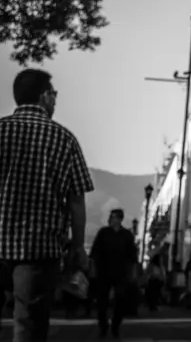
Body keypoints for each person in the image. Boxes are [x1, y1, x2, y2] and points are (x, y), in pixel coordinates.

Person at [0, 69, 94, 342]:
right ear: (44, 97)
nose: (55, 100)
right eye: (54, 94)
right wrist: (77, 247)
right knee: (28, 326)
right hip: (38, 249)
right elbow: (76, 201)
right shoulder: (65, 139)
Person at [90, 208, 138, 338]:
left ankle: (116, 325)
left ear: (119, 219)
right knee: (102, 301)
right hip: (103, 271)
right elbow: (95, 253)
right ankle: (103, 325)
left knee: (121, 300)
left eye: (112, 217)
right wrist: (93, 270)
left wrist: (133, 273)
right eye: (110, 217)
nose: (109, 220)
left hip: (121, 272)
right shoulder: (103, 233)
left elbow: (133, 256)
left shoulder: (127, 235)